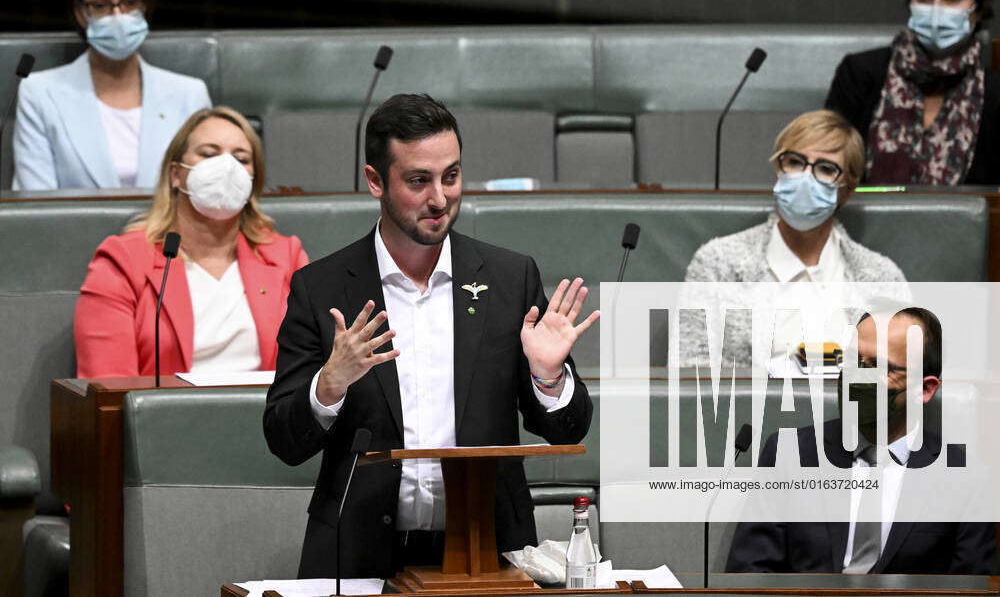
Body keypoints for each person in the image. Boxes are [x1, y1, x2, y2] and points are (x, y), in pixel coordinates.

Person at [263, 93, 598, 579]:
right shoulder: (322, 287)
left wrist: (548, 377)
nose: (440, 198)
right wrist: (328, 385)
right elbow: (283, 441)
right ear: (375, 180)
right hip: (357, 555)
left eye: (451, 176)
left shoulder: (509, 279)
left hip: (488, 551)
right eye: (418, 181)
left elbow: (569, 428)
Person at [726, 308, 997, 574]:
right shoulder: (789, 453)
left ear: (925, 389)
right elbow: (750, 572)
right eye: (854, 361)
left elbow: (971, 588)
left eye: (880, 367)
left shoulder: (967, 479)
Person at [74, 106, 307, 378]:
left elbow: (311, 370)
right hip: (163, 418)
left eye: (241, 158)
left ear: (253, 179)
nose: (227, 167)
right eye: (208, 154)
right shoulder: (123, 260)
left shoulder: (285, 256)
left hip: (268, 417)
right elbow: (108, 387)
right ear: (175, 173)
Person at [681, 110, 906, 367]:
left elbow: (900, 375)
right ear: (779, 168)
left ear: (848, 189)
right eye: (795, 162)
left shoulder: (881, 277)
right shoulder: (718, 264)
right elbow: (689, 371)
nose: (805, 178)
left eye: (825, 168)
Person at [13, 0, 211, 190]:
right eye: (100, 5)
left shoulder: (189, 95)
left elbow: (203, 194)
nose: (118, 16)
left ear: (145, 5)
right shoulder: (40, 93)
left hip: (169, 230)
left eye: (130, 2)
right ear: (79, 12)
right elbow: (36, 207)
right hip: (73, 230)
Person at [825, 0, 999, 185]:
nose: (936, 8)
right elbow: (827, 166)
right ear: (910, 2)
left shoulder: (994, 93)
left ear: (979, 7)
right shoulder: (860, 73)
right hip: (864, 222)